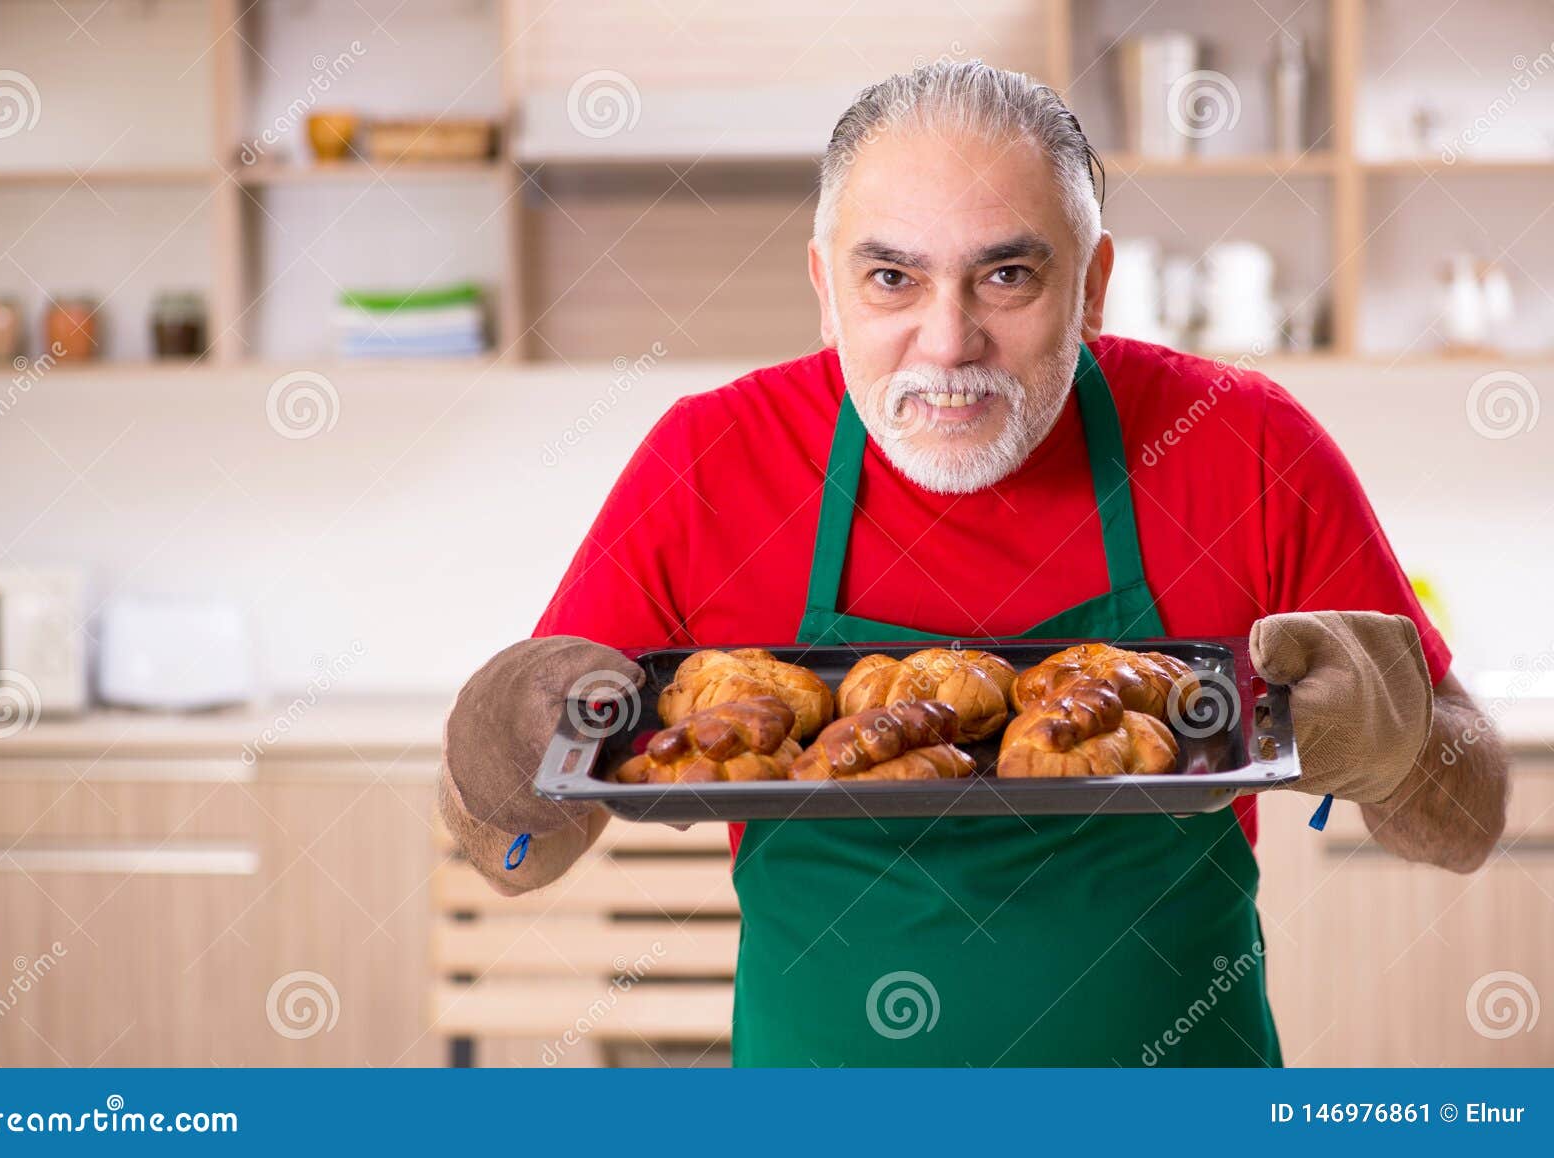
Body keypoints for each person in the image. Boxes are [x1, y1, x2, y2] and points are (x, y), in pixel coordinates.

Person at [440, 60, 1508, 1067]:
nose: (948, 342)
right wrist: (499, 763)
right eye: (891, 278)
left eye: (1006, 275)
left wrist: (1401, 744)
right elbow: (516, 860)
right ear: (825, 288)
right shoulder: (710, 465)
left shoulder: (1245, 445)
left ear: (1093, 283)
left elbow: (1469, 828)